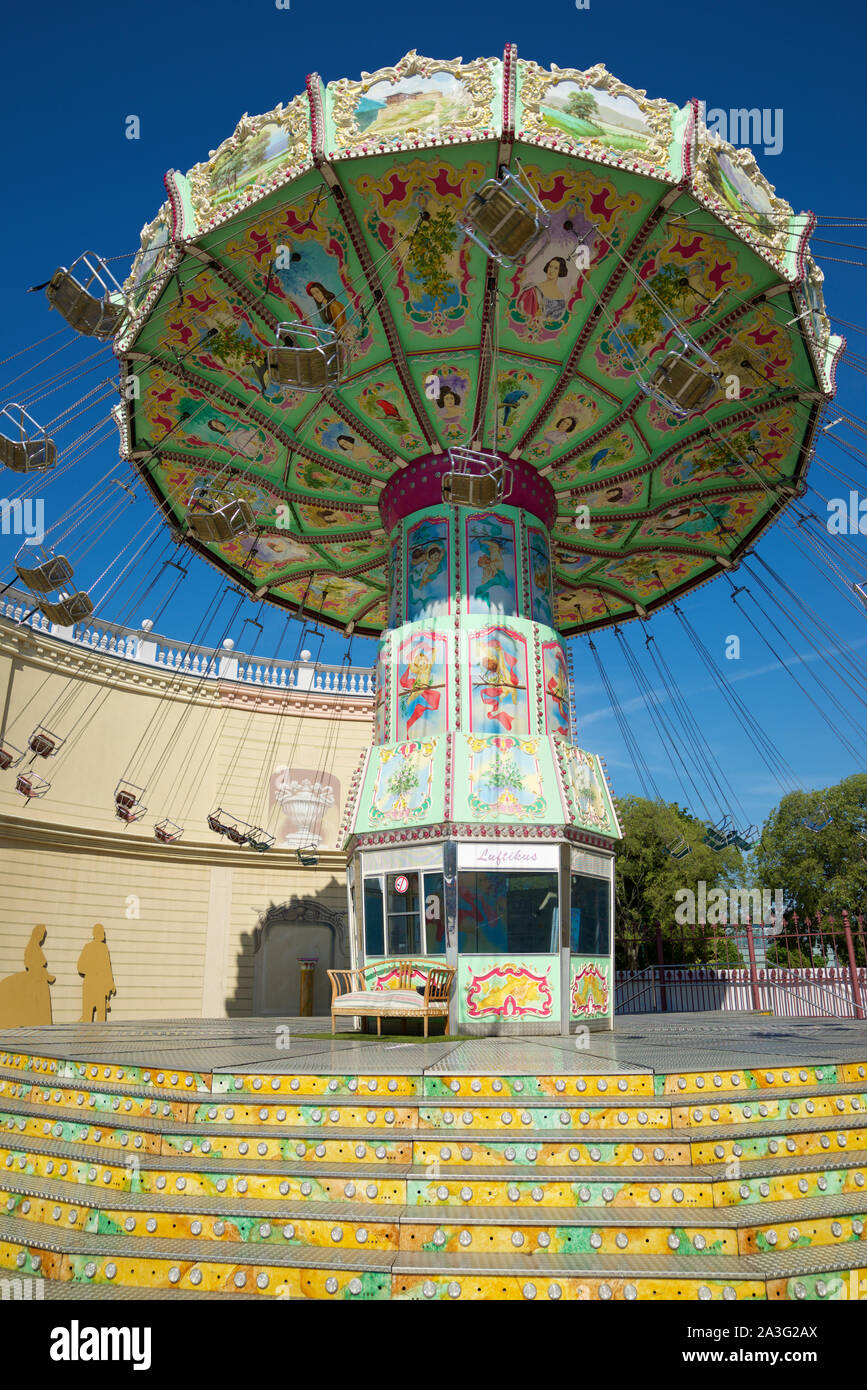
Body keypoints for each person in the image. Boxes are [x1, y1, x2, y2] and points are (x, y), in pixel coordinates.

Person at [78, 924, 116, 1024]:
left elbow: (107, 968)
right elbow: (80, 967)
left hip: (97, 987)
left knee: (100, 1016)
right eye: (102, 933)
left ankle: (99, 1038)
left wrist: (111, 984)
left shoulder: (103, 947)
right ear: (97, 934)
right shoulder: (91, 947)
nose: (104, 935)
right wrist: (94, 970)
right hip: (93, 986)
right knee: (89, 1016)